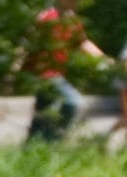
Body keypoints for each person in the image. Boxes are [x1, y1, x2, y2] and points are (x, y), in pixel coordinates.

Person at [23, 0, 109, 141]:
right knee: (72, 102)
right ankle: (55, 139)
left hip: (56, 73)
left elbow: (82, 42)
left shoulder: (72, 21)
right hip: (43, 74)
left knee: (43, 113)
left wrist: (105, 60)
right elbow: (28, 43)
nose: (77, 3)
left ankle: (34, 148)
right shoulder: (47, 17)